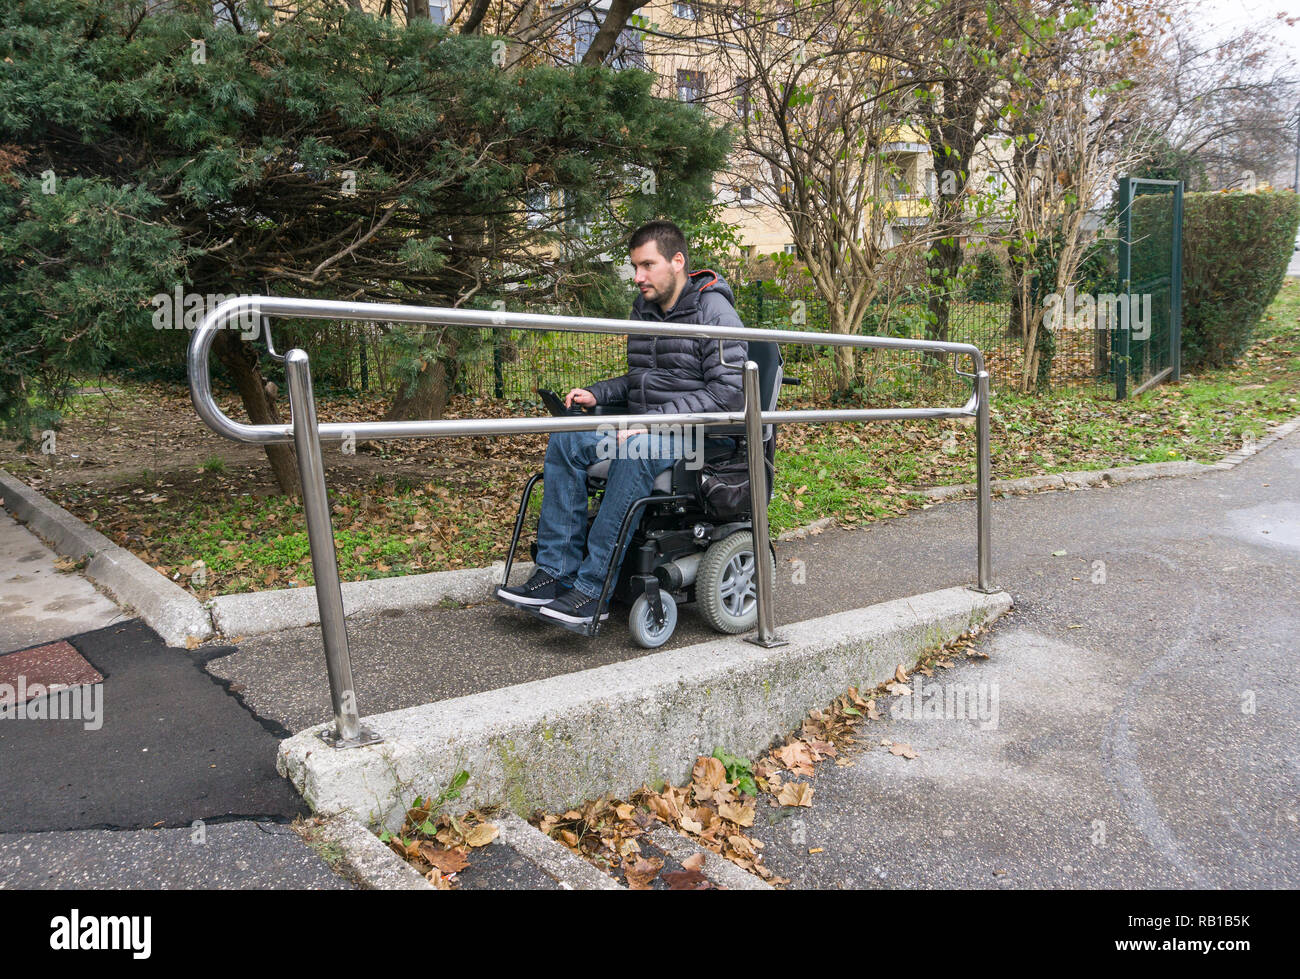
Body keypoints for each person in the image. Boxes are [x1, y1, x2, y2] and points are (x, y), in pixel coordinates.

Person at [496, 219, 748, 629]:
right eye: (635, 267)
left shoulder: (713, 311)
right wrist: (600, 394)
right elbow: (641, 381)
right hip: (647, 430)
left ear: (678, 261)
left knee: (634, 451)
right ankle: (555, 573)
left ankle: (592, 591)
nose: (638, 277)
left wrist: (652, 424)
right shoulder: (644, 310)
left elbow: (729, 396)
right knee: (567, 439)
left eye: (647, 266)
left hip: (702, 437)